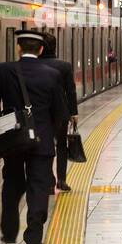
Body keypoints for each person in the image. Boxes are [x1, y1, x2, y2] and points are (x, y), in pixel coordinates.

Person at [0, 29, 68, 244]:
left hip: (13, 140)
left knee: (12, 183)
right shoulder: (52, 74)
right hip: (41, 141)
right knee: (39, 186)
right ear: (41, 50)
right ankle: (33, 238)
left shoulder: (4, 71)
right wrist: (49, 132)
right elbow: (61, 112)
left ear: (19, 49)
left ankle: (10, 232)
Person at [40, 31, 78, 193]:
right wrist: (74, 113)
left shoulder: (34, 66)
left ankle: (49, 181)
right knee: (61, 146)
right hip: (61, 113)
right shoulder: (64, 66)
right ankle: (61, 180)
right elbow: (71, 91)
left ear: (40, 48)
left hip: (40, 114)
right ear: (55, 47)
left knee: (44, 147)